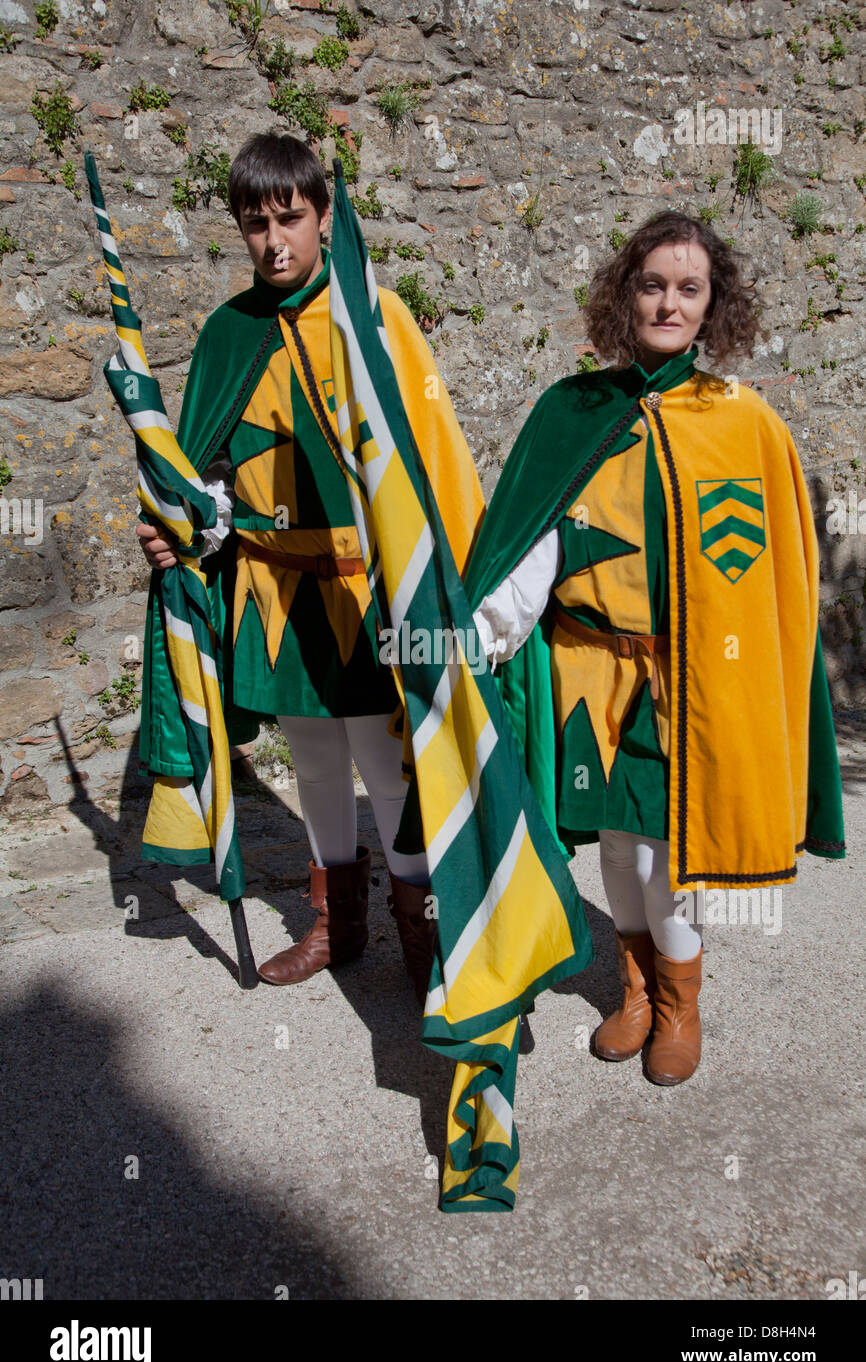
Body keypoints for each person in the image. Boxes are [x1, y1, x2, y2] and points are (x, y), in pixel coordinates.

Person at [465, 210, 845, 1085]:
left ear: (714, 307)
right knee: (613, 840)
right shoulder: (573, 411)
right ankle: (633, 988)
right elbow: (535, 543)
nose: (668, 303)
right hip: (590, 671)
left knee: (670, 849)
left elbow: (775, 577)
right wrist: (484, 632)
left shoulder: (741, 422)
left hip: (690, 683)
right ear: (624, 293)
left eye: (689, 288)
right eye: (652, 284)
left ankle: (680, 1004)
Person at [137, 132, 484, 998]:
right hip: (272, 589)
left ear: (325, 218)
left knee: (383, 758)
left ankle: (418, 924)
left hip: (368, 588)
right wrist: (177, 530)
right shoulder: (228, 334)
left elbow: (431, 456)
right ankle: (338, 924)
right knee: (315, 759)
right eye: (256, 224)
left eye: (291, 217)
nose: (275, 240)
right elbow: (203, 472)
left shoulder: (376, 315)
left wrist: (455, 584)